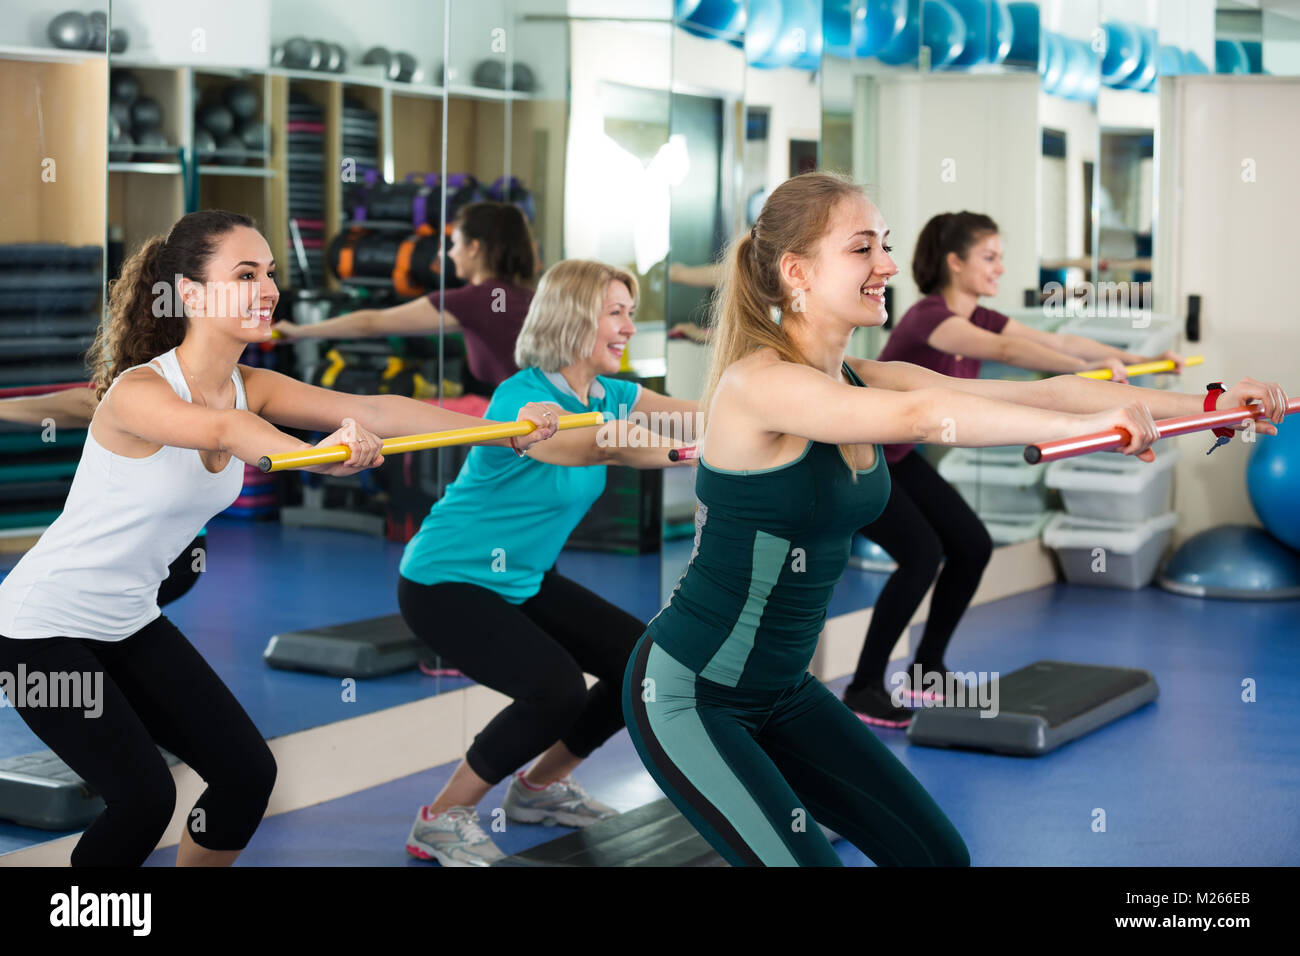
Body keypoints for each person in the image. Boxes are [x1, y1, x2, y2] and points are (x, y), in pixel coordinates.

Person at [621, 172, 1288, 867]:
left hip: (783, 693)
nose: (887, 264)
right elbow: (923, 417)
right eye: (862, 248)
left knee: (938, 857)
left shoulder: (862, 376)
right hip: (691, 694)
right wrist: (1084, 428)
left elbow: (1045, 391)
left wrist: (1212, 405)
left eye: (885, 244)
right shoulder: (758, 383)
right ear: (797, 271)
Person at [0, 209, 560, 867]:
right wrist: (320, 456)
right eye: (245, 274)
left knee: (245, 773)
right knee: (143, 799)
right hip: (39, 630)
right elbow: (226, 432)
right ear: (190, 294)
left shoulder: (251, 386)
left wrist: (503, 428)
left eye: (268, 273)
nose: (268, 289)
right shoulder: (138, 390)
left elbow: (374, 411)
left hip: (126, 620)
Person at [397, 258, 699, 867]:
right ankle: (441, 818)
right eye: (615, 313)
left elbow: (698, 413)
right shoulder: (522, 399)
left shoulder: (612, 393)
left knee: (641, 666)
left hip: (523, 579)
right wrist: (686, 452)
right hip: (446, 580)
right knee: (554, 690)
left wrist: (779, 414)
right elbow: (595, 445)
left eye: (630, 313)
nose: (628, 327)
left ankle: (539, 788)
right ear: (573, 317)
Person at [846, 211, 1182, 725]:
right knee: (921, 555)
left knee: (971, 546)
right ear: (955, 263)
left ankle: (926, 671)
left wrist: (1127, 358)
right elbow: (1009, 351)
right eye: (990, 257)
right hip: (861, 461)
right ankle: (864, 686)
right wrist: (1084, 372)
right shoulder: (930, 318)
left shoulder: (980, 315)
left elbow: (1058, 341)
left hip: (899, 456)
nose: (1000, 267)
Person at [273, 201, 537, 395]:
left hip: (526, 418)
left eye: (455, 244)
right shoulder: (525, 295)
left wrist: (300, 331)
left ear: (474, 248)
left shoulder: (474, 300)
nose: (450, 253)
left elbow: (371, 324)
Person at [1, 387, 205, 607]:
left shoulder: (147, 387)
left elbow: (88, 403)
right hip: (173, 548)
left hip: (147, 550)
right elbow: (88, 406)